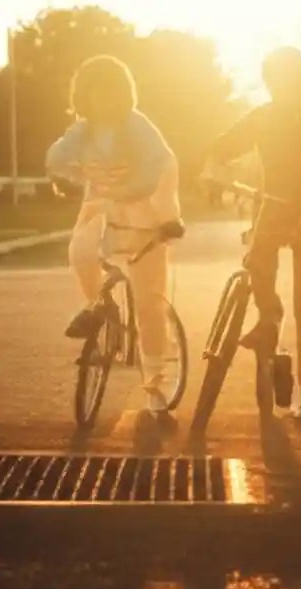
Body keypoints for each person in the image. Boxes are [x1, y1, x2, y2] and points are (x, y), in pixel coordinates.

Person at [203, 46, 301, 423]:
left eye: (284, 80)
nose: (278, 88)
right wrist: (214, 171)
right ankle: (269, 320)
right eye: (272, 82)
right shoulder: (264, 115)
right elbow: (222, 147)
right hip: (272, 207)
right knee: (258, 265)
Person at [46, 55, 183, 422]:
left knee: (150, 301)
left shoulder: (137, 127)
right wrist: (61, 173)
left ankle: (155, 384)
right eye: (95, 91)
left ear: (123, 93)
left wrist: (164, 214)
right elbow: (56, 155)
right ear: (84, 95)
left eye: (110, 91)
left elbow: (159, 168)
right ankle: (101, 309)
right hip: (102, 206)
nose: (103, 99)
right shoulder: (83, 131)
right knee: (81, 252)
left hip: (146, 208)